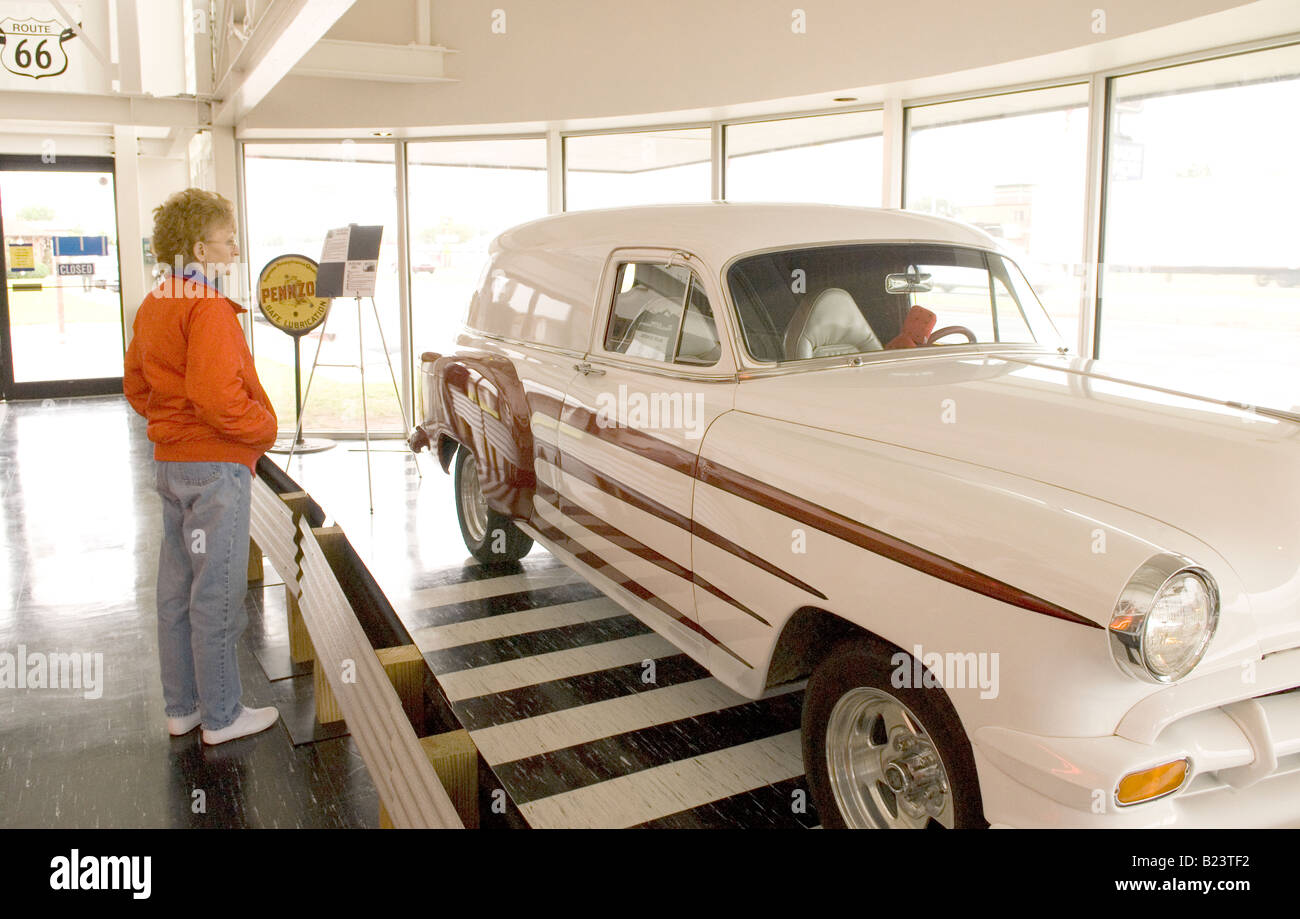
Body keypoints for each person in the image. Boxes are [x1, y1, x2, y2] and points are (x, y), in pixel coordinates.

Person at [123, 188, 281, 745]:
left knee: (176, 592)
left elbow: (137, 388)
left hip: (171, 465)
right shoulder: (208, 306)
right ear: (199, 247)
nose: (234, 248)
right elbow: (217, 396)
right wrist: (263, 430)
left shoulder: (155, 302)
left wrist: (173, 423)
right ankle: (222, 717)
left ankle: (183, 708)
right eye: (227, 240)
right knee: (216, 594)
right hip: (216, 468)